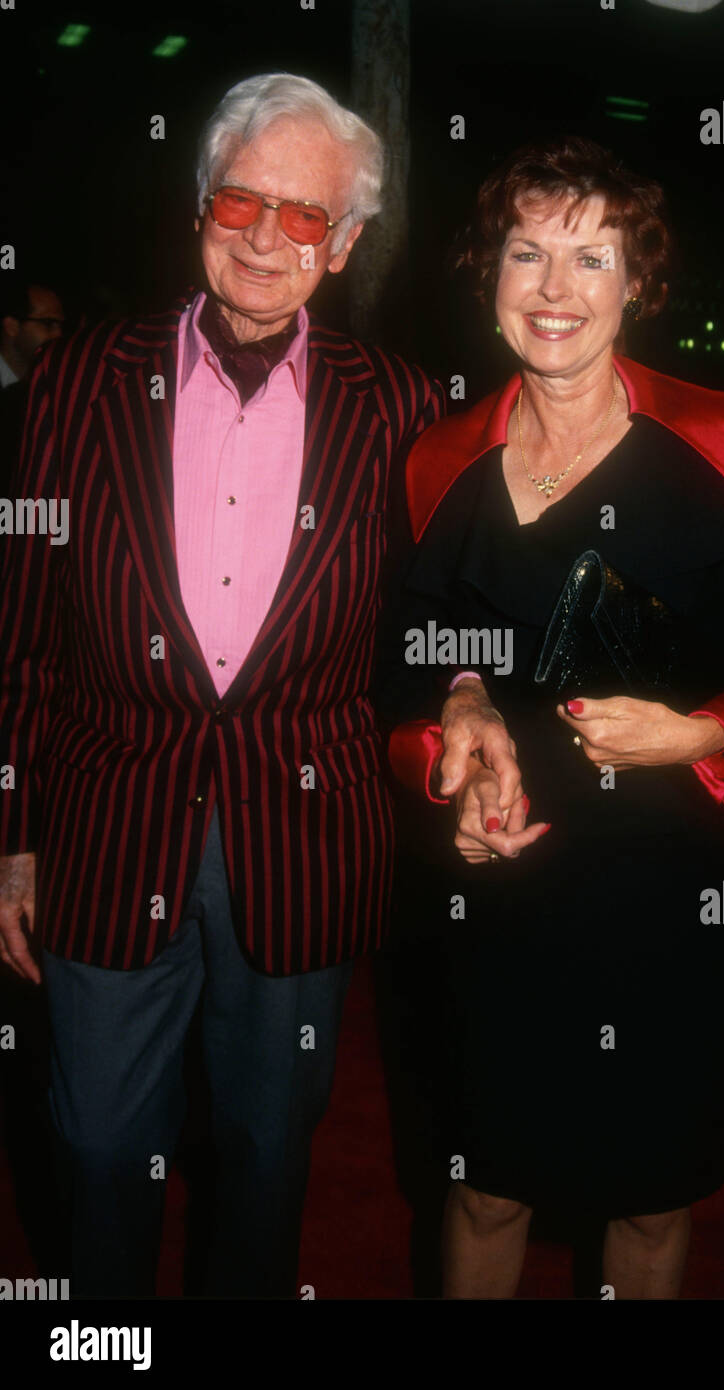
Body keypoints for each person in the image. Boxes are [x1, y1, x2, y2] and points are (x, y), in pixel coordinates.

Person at [0, 72, 446, 1299]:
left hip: (302, 839)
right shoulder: (78, 380)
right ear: (200, 203)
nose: (263, 235)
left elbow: (428, 629)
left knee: (266, 1153)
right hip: (102, 823)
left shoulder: (403, 409)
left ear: (345, 244)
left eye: (304, 216)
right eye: (241, 199)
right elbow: (23, 631)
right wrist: (14, 837)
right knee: (96, 1147)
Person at [386, 136, 724, 1298]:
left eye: (592, 257)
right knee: (487, 1185)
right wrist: (456, 729)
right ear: (489, 276)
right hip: (504, 877)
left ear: (639, 284)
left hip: (671, 889)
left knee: (650, 1197)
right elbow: (407, 656)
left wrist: (692, 735)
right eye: (526, 253)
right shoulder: (439, 459)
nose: (553, 289)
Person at [0, 279, 66, 492]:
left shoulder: (52, 389)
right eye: (48, 323)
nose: (58, 335)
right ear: (11, 326)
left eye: (61, 325)